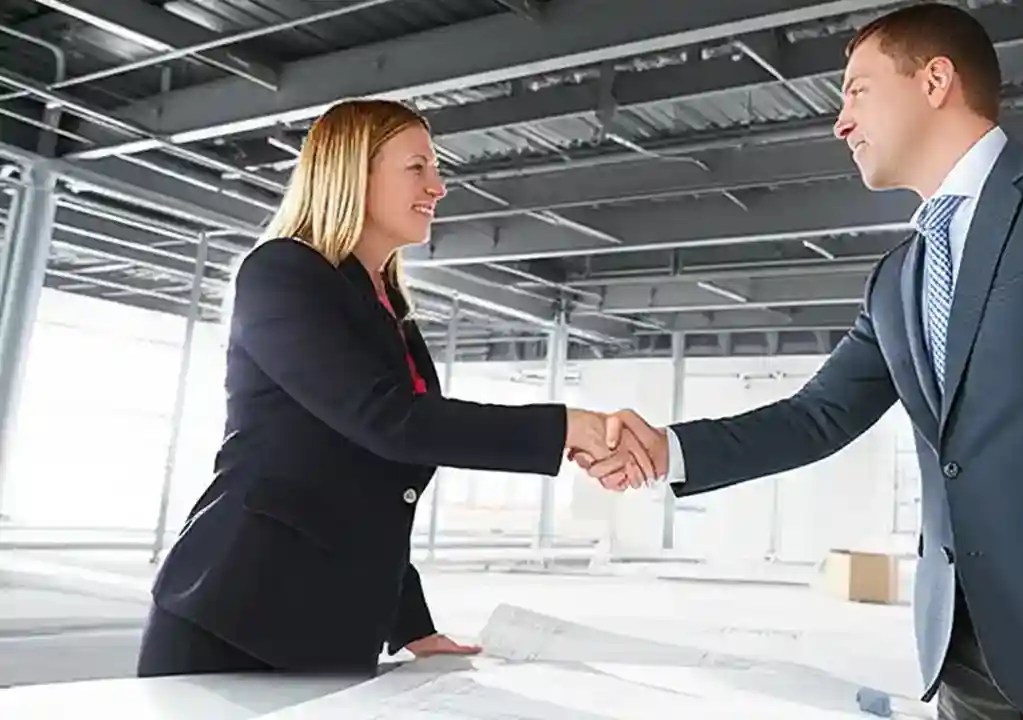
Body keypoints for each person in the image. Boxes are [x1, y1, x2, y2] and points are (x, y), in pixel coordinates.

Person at [582, 4, 1023, 719]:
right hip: (964, 663)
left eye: (857, 90)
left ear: (935, 80)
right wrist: (667, 448)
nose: (840, 123)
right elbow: (816, 417)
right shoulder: (898, 278)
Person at [137, 99, 654, 678]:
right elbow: (388, 421)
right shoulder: (281, 272)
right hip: (234, 617)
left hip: (326, 633)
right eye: (417, 167)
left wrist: (412, 626)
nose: (438, 187)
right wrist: (563, 428)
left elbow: (371, 487)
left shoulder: (389, 309)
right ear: (352, 172)